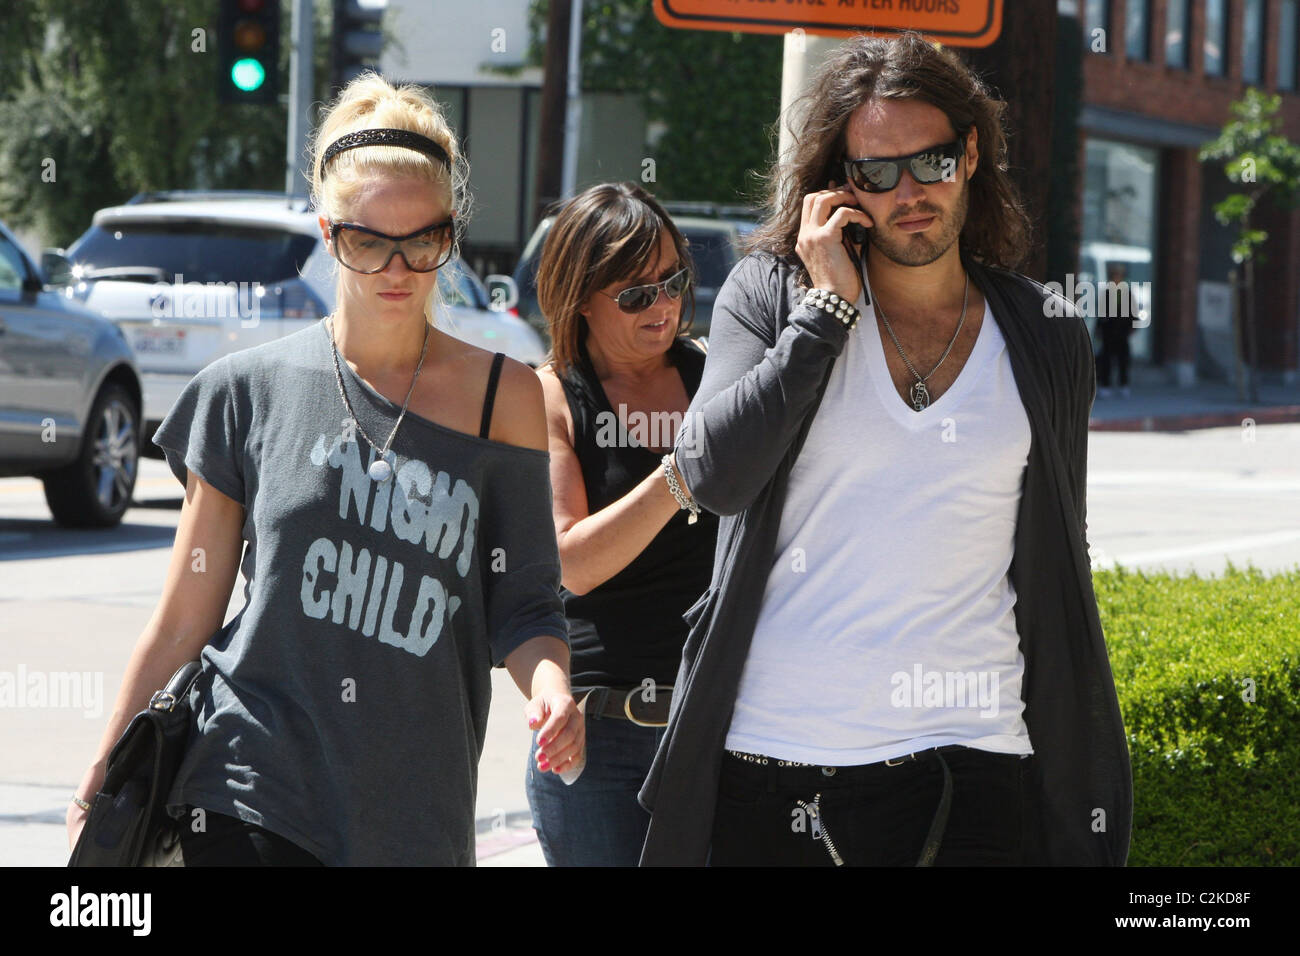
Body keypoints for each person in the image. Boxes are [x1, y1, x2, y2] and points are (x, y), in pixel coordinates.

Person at [639, 32, 1132, 866]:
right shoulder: (771, 298)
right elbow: (713, 478)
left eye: (931, 162)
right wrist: (822, 319)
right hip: (779, 763)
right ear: (841, 187)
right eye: (877, 172)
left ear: (970, 154)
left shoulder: (1043, 331)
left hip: (976, 760)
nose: (909, 192)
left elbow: (1058, 551)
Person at [66, 72, 582, 866]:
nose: (397, 268)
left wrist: (550, 690)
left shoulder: (503, 398)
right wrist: (102, 774)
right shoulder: (248, 391)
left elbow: (526, 606)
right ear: (327, 232)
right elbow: (183, 618)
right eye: (367, 240)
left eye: (424, 241)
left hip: (415, 813)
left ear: (451, 234)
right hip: (246, 785)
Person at [527, 182, 719, 866]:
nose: (663, 306)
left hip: (718, 729)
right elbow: (569, 560)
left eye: (672, 282)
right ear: (579, 296)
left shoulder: (715, 378)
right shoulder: (549, 396)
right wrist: (680, 474)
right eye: (636, 294)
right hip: (600, 741)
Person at [1096, 262, 1135, 398]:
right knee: (1106, 360)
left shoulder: (1128, 294)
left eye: (1119, 276)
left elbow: (1133, 314)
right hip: (1108, 332)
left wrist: (1132, 327)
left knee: (1123, 360)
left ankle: (1124, 384)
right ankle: (1105, 385)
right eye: (1114, 276)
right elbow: (1101, 315)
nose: (1116, 279)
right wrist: (1099, 329)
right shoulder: (1106, 294)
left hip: (1122, 332)